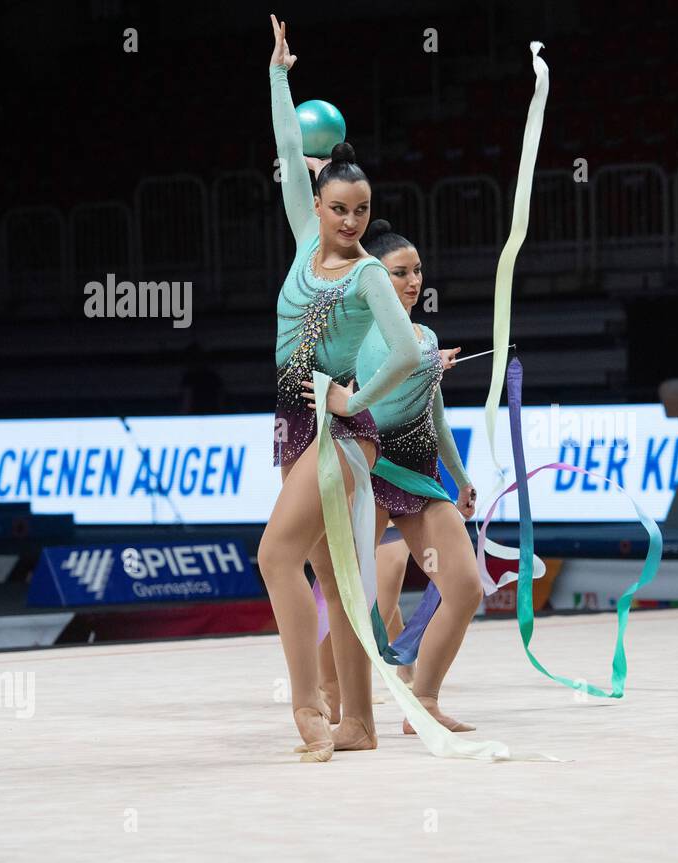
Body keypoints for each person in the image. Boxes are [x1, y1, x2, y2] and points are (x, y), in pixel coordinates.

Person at [258, 15, 421, 761]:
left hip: (336, 436)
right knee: (336, 574)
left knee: (274, 556)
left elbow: (404, 354)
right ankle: (360, 721)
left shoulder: (364, 274)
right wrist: (280, 73)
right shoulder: (302, 240)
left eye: (361, 210)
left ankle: (307, 705)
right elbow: (291, 151)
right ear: (317, 205)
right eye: (339, 208)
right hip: (297, 430)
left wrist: (354, 399)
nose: (351, 221)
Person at [302, 218, 480, 739]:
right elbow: (384, 391)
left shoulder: (424, 336)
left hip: (421, 478)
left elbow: (437, 416)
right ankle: (329, 692)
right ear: (377, 277)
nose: (412, 281)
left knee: (465, 588)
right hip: (371, 468)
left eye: (417, 270)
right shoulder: (364, 335)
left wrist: (462, 479)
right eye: (400, 272)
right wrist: (424, 365)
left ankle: (422, 699)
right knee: (348, 592)